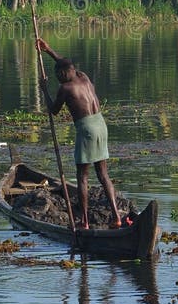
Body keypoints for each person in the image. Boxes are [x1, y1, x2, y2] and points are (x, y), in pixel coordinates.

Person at [36, 38, 121, 229]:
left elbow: (53, 110)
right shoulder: (83, 77)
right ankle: (117, 218)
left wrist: (44, 90)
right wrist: (48, 50)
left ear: (63, 74)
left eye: (58, 75)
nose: (58, 78)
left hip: (87, 128)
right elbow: (65, 62)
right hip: (101, 124)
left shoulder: (65, 88)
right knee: (103, 174)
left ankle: (84, 222)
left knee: (82, 176)